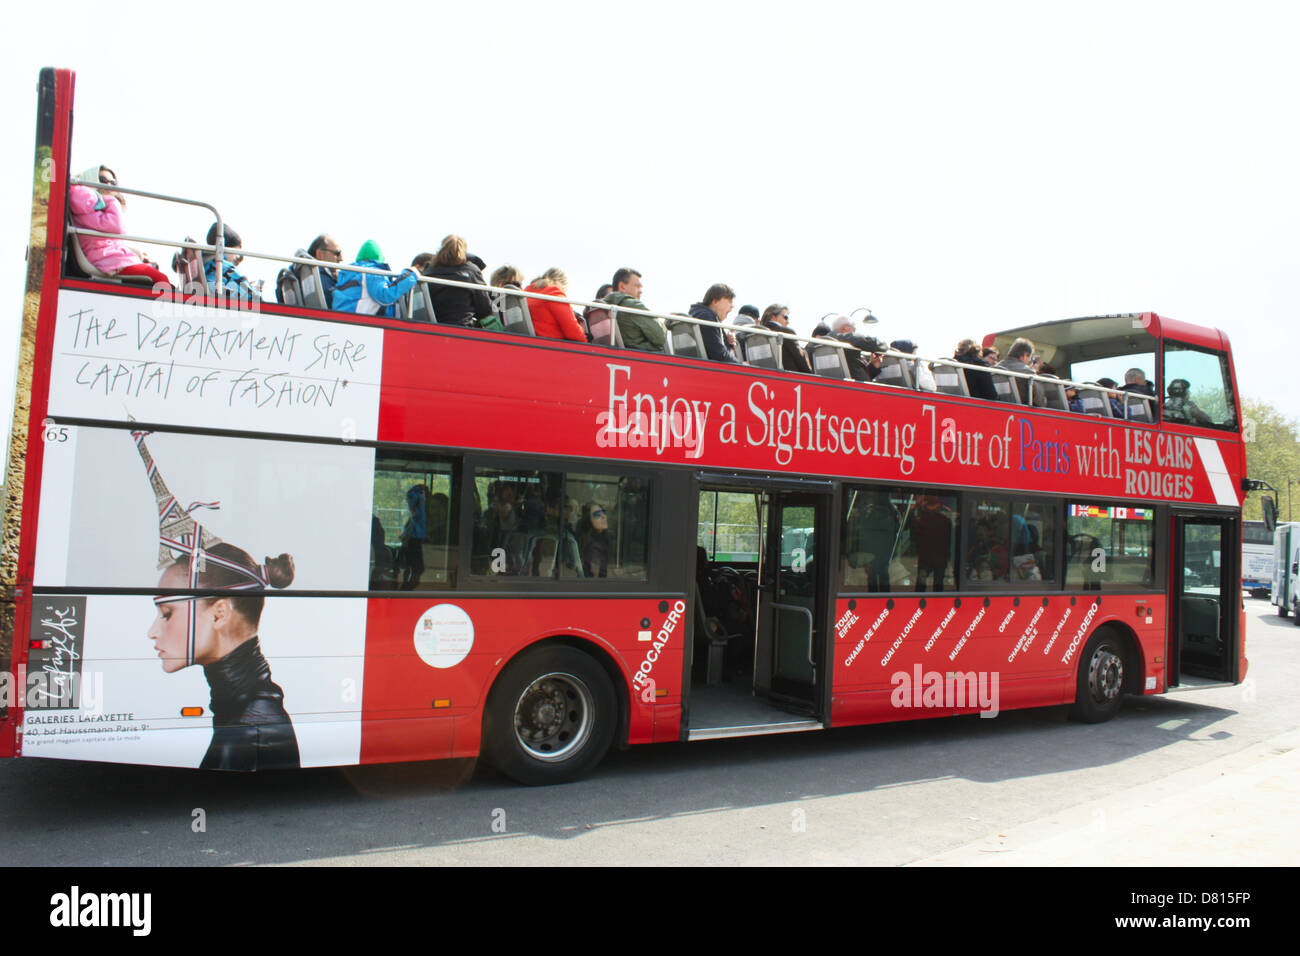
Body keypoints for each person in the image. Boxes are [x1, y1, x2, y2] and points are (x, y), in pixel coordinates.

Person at [67, 165, 171, 289]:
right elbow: (116, 226)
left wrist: (133, 251)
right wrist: (112, 200)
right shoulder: (85, 204)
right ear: (92, 180)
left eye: (113, 182)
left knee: (157, 273)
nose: (109, 185)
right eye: (104, 180)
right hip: (107, 261)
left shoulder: (94, 208)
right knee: (161, 280)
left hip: (110, 258)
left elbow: (104, 239)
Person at [331, 240, 419, 317]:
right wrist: (410, 274)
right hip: (362, 324)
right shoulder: (373, 272)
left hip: (342, 322)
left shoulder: (347, 274)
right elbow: (385, 296)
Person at [424, 235, 495, 327]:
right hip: (462, 328)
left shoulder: (428, 271)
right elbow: (484, 308)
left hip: (430, 327)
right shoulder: (471, 270)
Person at [606, 268, 665, 352]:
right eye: (637, 286)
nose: (641, 291)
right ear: (622, 286)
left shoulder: (605, 306)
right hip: (642, 358)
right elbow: (660, 337)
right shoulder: (632, 305)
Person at [524, 268, 587, 342]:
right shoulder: (554, 293)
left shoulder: (527, 291)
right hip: (553, 344)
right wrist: (586, 341)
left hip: (530, 342)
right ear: (563, 285)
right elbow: (573, 332)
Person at [202, 223, 262, 301]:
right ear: (227, 248)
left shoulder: (206, 264)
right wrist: (257, 290)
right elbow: (255, 298)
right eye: (236, 251)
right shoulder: (225, 268)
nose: (237, 257)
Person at [282, 233, 342, 306]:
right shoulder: (321, 277)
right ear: (320, 254)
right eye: (337, 253)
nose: (341, 259)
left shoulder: (291, 276)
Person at [688, 284, 741, 363]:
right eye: (729, 301)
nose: (732, 306)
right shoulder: (707, 318)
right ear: (715, 301)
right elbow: (719, 355)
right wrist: (743, 366)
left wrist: (727, 341)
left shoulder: (700, 315)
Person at [908, 495, 952, 591]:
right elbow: (949, 542)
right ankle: (937, 604)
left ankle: (918, 603)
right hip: (940, 558)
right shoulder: (945, 520)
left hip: (925, 557)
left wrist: (915, 506)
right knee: (938, 585)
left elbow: (913, 536)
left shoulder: (920, 520)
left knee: (921, 584)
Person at [830, 316, 886, 382]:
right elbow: (871, 342)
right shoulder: (843, 339)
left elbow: (852, 372)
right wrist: (883, 345)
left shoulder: (826, 343)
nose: (854, 332)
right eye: (854, 328)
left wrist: (873, 367)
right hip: (854, 388)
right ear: (845, 328)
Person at [760, 304, 812, 373]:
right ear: (773, 317)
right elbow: (800, 361)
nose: (788, 322)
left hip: (760, 376)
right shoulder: (787, 332)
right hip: (789, 378)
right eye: (785, 317)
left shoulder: (755, 334)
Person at [996, 337, 1036, 403]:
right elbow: (1038, 400)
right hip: (1020, 410)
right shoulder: (1028, 372)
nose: (1029, 360)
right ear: (1025, 355)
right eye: (1030, 357)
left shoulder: (994, 369)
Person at [577, 502, 611, 578]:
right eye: (597, 515)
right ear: (589, 520)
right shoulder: (593, 546)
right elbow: (595, 577)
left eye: (603, 512)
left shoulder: (602, 539)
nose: (603, 516)